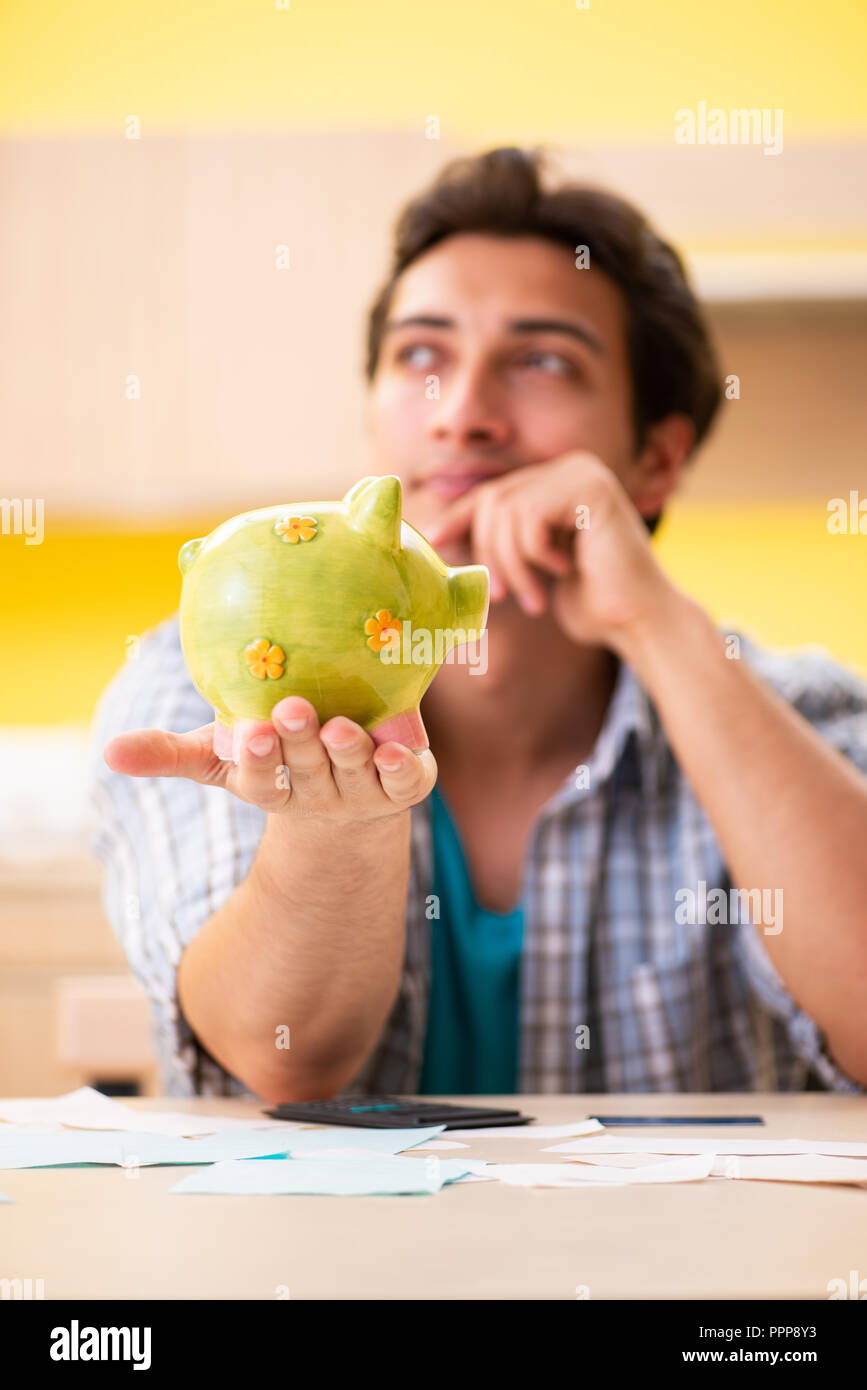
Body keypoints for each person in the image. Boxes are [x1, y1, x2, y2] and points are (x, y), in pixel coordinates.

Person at [91, 146, 867, 1103]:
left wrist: (657, 623)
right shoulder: (208, 688)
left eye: (542, 361)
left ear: (656, 461)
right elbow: (283, 1060)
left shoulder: (804, 716)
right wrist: (333, 826)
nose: (460, 414)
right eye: (420, 356)